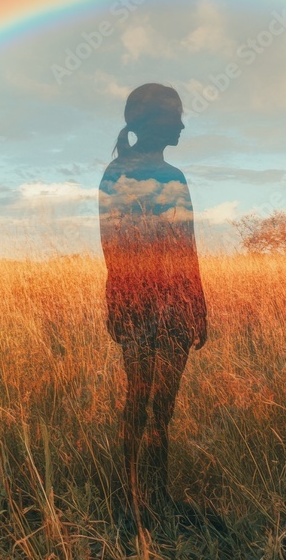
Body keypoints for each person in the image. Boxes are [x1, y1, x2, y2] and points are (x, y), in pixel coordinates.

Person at [98, 83, 207, 522]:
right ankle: (133, 500)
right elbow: (117, 246)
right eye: (175, 115)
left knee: (158, 406)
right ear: (152, 121)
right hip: (150, 304)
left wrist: (197, 304)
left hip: (156, 303)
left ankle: (152, 498)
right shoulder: (133, 174)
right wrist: (191, 303)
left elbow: (185, 246)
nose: (182, 123)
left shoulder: (149, 174)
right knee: (143, 403)